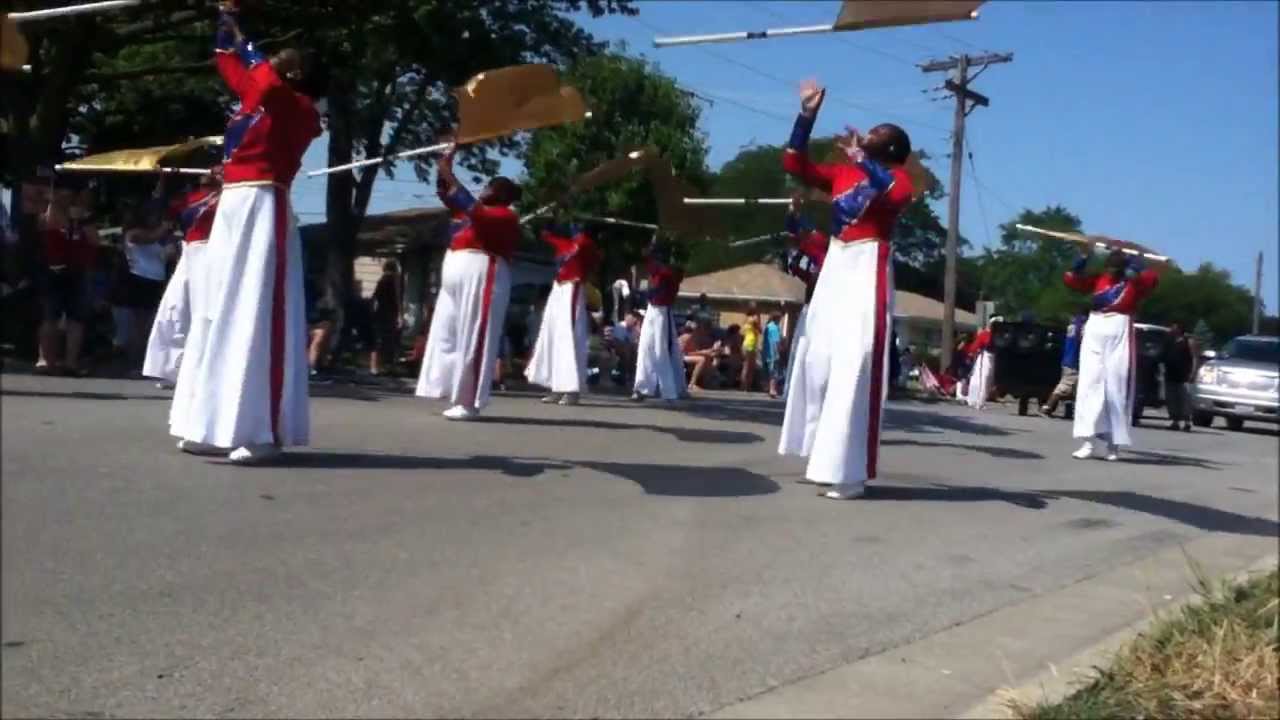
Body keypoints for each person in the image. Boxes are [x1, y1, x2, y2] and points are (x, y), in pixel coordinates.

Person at [169, 5, 323, 464]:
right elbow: (228, 62)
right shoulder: (260, 97)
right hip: (234, 204)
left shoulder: (301, 109)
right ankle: (211, 421)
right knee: (217, 310)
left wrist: (247, 38)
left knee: (258, 314)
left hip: (263, 203)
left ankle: (261, 431)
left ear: (297, 73)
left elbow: (264, 78)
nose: (275, 60)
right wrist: (225, 22)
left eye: (284, 58)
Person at [777, 79, 915, 500]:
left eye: (878, 133)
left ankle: (851, 472)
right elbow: (794, 166)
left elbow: (897, 196)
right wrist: (806, 116)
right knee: (817, 356)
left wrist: (862, 158)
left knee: (856, 363)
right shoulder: (842, 172)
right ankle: (823, 457)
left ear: (889, 149)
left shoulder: (894, 176)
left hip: (867, 262)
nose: (867, 133)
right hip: (836, 261)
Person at [415, 143, 521, 420]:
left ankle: (468, 401)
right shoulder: (465, 212)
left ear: (502, 195)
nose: (485, 188)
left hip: (484, 271)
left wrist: (448, 171)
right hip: (455, 272)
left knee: (476, 336)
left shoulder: (505, 216)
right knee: (447, 333)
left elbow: (473, 208)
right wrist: (446, 160)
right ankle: (445, 387)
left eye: (492, 186)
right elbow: (446, 192)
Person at [1063, 249, 1160, 460]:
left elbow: (1152, 279)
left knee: (1116, 385)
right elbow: (1071, 279)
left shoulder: (1134, 282)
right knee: (1089, 383)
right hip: (1096, 326)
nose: (1113, 268)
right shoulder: (1099, 279)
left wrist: (1138, 260)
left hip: (1120, 326)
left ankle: (1113, 444)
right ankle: (1087, 440)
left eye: (1117, 265)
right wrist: (1084, 256)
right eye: (1110, 264)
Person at [143, 170, 222, 387]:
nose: (209, 173)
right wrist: (161, 181)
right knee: (176, 309)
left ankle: (205, 370)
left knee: (208, 312)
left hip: (216, 254)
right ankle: (172, 369)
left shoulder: (232, 195)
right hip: (190, 253)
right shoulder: (189, 198)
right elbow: (162, 212)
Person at [526, 222, 602, 405]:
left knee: (569, 338)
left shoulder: (584, 244)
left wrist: (561, 231)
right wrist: (545, 229)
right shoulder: (565, 243)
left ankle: (572, 389)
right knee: (552, 336)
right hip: (558, 288)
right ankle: (556, 385)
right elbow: (547, 236)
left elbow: (588, 252)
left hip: (573, 288)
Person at [35, 191, 98, 376]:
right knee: (49, 317)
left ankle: (71, 363)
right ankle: (45, 360)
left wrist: (83, 220)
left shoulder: (85, 219)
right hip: (53, 270)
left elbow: (95, 240)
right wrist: (57, 204)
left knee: (76, 319)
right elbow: (50, 223)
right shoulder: (49, 213)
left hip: (78, 271)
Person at [780, 194, 828, 391]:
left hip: (821, 283)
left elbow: (797, 227)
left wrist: (794, 210)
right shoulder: (811, 244)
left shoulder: (813, 240)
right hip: (819, 283)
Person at [631, 241, 684, 402]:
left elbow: (657, 291)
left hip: (662, 311)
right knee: (645, 348)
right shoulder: (656, 271)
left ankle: (668, 391)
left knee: (661, 351)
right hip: (652, 310)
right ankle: (642, 387)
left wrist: (642, 294)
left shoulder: (666, 273)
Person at [1039, 312, 1086, 418]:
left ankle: (1068, 411)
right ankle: (1046, 408)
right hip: (1073, 362)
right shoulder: (1081, 329)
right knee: (1064, 387)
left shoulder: (1071, 327)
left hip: (1068, 360)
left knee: (1072, 388)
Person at [370, 259, 402, 376]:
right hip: (390, 314)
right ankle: (389, 366)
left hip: (380, 313)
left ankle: (374, 367)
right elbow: (397, 299)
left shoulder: (381, 280)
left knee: (378, 340)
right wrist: (400, 315)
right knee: (390, 341)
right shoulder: (394, 280)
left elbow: (374, 297)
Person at [1163, 322, 1197, 431]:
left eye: (1174, 327)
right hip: (1170, 374)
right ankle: (1175, 421)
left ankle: (1187, 422)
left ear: (1180, 329)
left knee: (1185, 399)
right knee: (1172, 399)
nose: (1172, 328)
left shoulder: (1188, 341)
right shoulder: (1170, 341)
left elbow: (1194, 358)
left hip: (1184, 376)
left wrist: (1193, 372)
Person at [965, 318, 997, 410]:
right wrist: (971, 353)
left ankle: (982, 401)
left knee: (989, 381)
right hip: (985, 357)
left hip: (995, 358)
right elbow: (975, 346)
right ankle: (978, 402)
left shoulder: (1000, 335)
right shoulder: (985, 334)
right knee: (984, 378)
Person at [762, 311, 784, 398]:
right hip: (773, 353)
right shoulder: (775, 328)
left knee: (768, 371)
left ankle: (767, 388)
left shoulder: (768, 326)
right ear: (777, 319)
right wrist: (781, 350)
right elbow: (776, 341)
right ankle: (772, 390)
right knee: (774, 372)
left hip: (766, 352)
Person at [740, 304, 761, 391]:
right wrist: (758, 317)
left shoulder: (746, 319)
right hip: (750, 343)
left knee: (749, 366)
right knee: (748, 366)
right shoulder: (754, 319)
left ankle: (745, 386)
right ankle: (745, 386)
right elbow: (760, 330)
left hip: (748, 343)